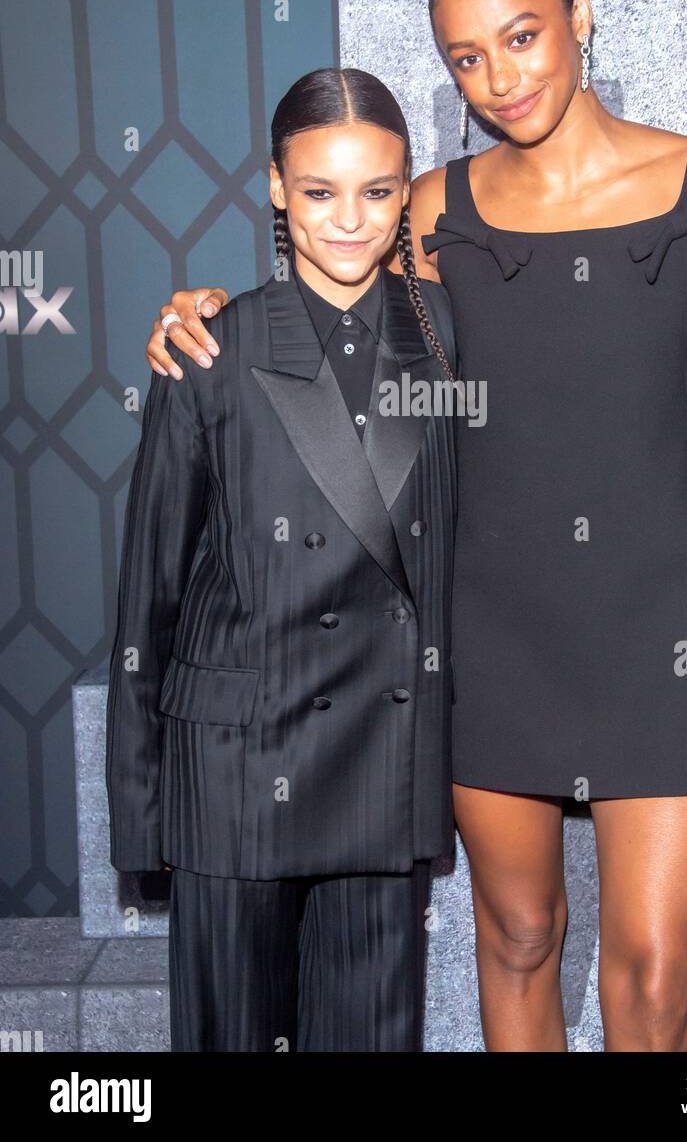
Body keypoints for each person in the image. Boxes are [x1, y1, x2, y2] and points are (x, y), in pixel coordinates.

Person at [142, 0, 687, 1053]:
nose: (498, 78)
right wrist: (209, 316)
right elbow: (333, 312)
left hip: (659, 623)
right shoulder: (431, 209)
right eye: (465, 59)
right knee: (518, 935)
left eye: (521, 36)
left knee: (654, 975)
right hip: (487, 624)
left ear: (579, 13)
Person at [106, 67, 458, 1052]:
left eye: (377, 192)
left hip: (378, 772)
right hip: (232, 772)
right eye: (318, 192)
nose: (349, 220)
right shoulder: (208, 348)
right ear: (274, 186)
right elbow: (149, 599)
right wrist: (140, 820)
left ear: (406, 191)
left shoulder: (443, 333)